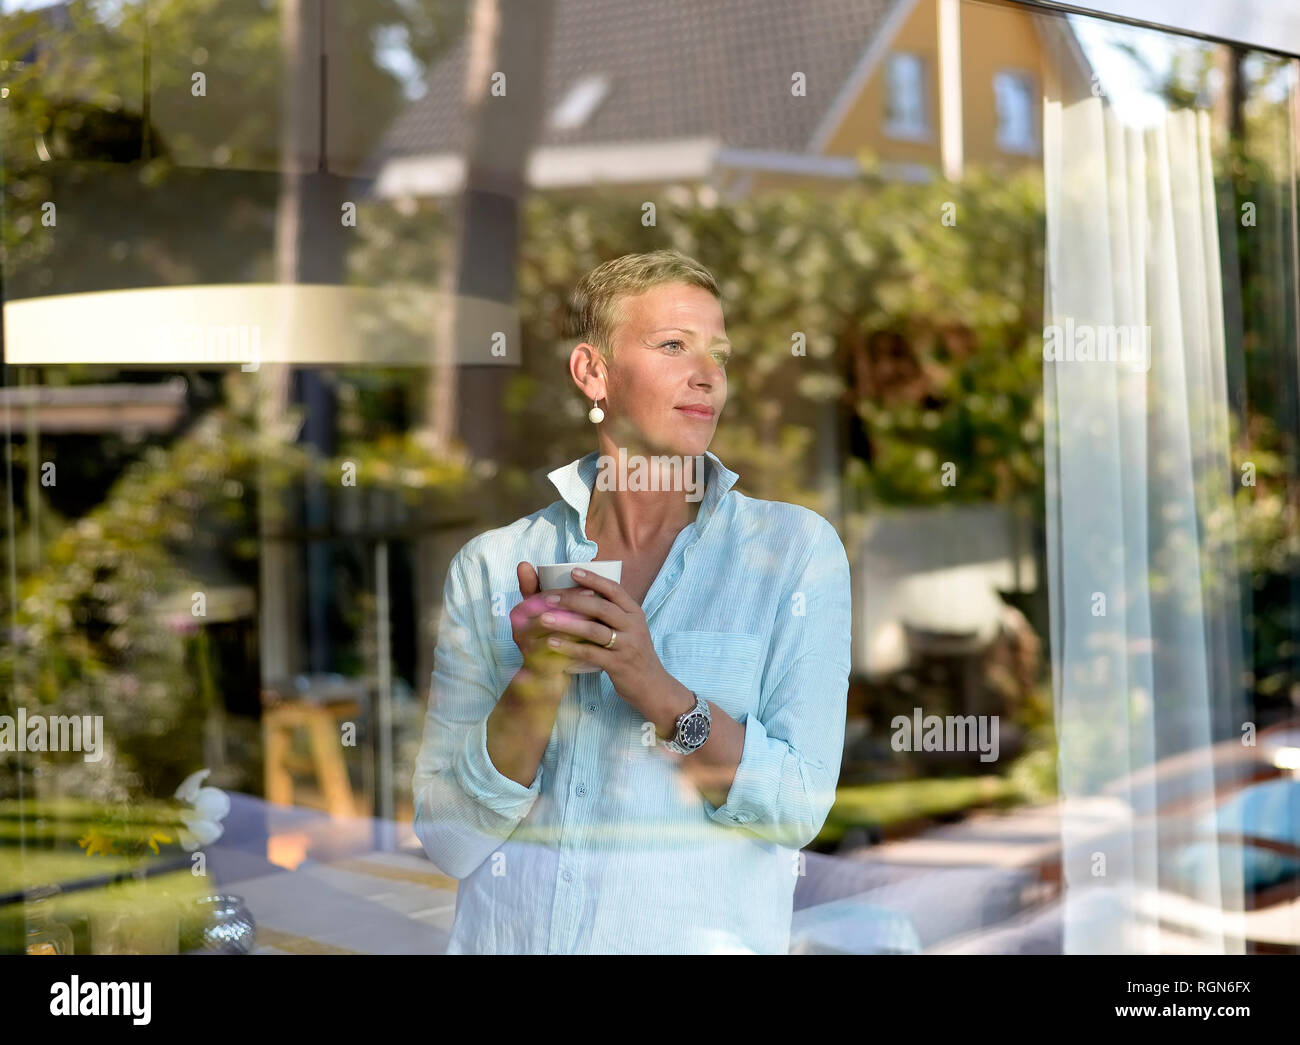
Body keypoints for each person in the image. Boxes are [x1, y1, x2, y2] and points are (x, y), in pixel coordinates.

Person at [411, 249, 852, 954]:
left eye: (720, 354)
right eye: (673, 345)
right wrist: (538, 680)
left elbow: (797, 811)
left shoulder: (793, 553)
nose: (707, 374)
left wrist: (654, 686)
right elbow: (449, 841)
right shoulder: (493, 565)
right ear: (593, 372)